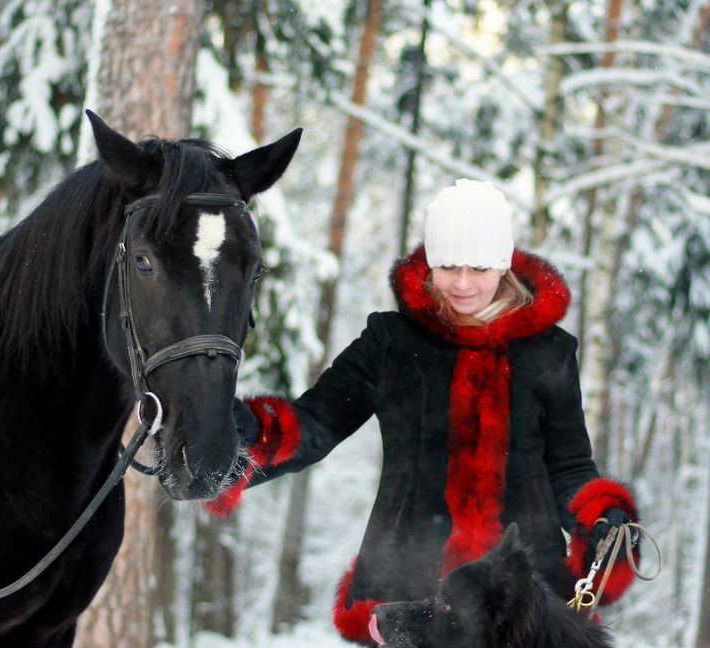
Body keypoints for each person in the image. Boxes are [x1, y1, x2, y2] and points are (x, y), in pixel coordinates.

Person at [208, 179, 641, 644]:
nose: (462, 283)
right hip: (406, 589)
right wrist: (223, 435)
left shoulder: (547, 353)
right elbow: (317, 422)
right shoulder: (391, 343)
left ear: (502, 264)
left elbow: (570, 464)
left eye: (478, 267)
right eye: (448, 266)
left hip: (519, 605)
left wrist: (602, 517)